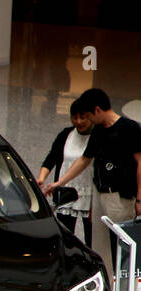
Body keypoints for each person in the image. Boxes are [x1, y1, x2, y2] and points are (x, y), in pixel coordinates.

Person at [42, 88, 141, 281]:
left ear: (97, 110)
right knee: (99, 245)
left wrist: (140, 198)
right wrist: (59, 183)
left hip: (120, 195)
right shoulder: (99, 132)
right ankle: (106, 288)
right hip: (99, 193)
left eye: (88, 115)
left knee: (121, 247)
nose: (86, 121)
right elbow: (84, 159)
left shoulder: (130, 128)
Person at [37, 97, 95, 249]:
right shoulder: (65, 135)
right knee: (65, 239)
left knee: (92, 241)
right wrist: (42, 178)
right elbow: (52, 158)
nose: (78, 121)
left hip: (91, 196)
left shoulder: (99, 137)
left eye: (82, 117)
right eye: (74, 117)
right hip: (66, 193)